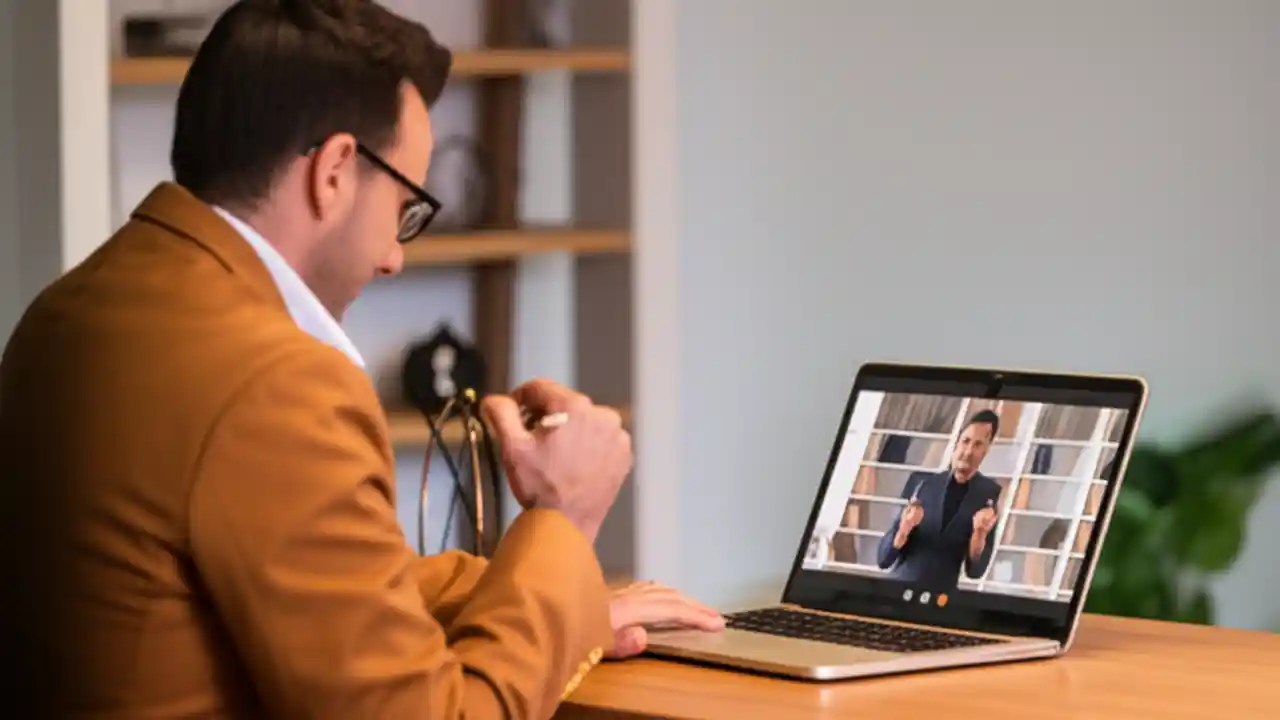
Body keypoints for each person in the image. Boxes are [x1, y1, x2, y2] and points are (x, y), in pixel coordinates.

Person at [0, 1, 721, 717]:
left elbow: (313, 576)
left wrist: (553, 592)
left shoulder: (72, 311)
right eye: (406, 208)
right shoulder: (277, 382)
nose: (394, 257)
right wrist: (562, 519)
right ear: (337, 170)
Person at [875, 410, 1003, 590]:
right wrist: (904, 529)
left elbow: (975, 571)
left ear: (986, 450)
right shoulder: (922, 483)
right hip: (898, 591)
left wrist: (979, 533)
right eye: (965, 441)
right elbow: (883, 559)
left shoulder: (988, 494)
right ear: (956, 443)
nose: (968, 452)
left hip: (940, 600)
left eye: (978, 445)